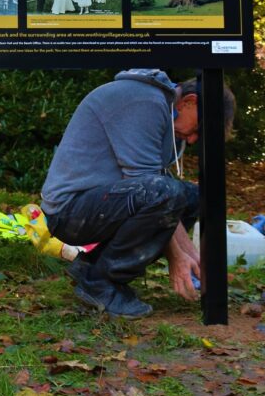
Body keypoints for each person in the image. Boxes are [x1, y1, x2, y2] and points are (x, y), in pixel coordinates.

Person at [40, 69, 235, 318]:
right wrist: (177, 258)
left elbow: (160, 197)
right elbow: (154, 191)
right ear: (189, 101)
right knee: (165, 192)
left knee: (192, 197)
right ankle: (100, 284)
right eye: (198, 128)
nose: (194, 139)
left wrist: (196, 259)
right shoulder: (146, 102)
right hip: (69, 212)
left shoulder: (164, 111)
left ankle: (93, 267)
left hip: (100, 203)